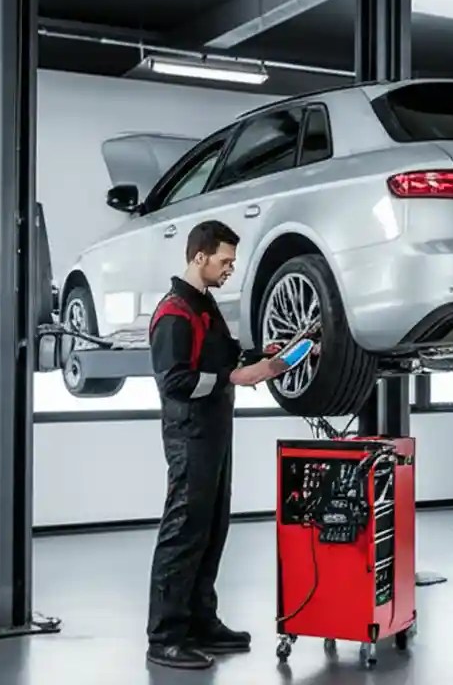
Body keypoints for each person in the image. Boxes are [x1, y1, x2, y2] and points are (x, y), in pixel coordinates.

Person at [145, 220, 289, 670]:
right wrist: (232, 377)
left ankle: (201, 621)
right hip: (190, 436)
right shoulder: (174, 314)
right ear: (199, 257)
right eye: (225, 261)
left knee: (212, 529)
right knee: (184, 533)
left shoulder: (204, 305)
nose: (230, 268)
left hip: (215, 435)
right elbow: (176, 382)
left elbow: (225, 355)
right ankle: (165, 637)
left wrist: (263, 356)